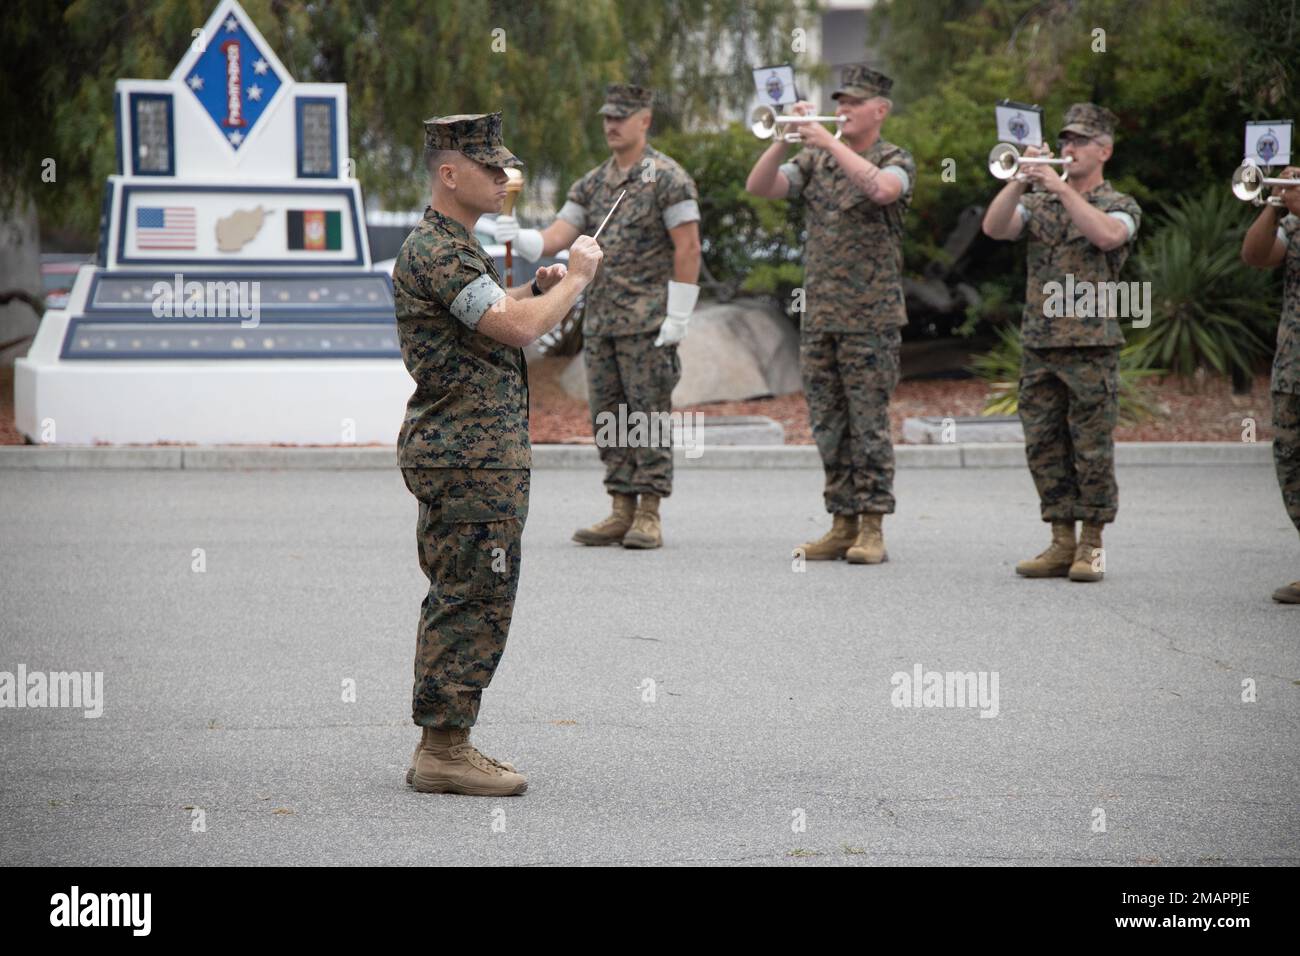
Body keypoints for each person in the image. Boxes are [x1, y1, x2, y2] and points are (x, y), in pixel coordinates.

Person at [393, 112, 603, 795]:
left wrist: (538, 290)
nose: (505, 179)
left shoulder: (450, 247)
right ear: (449, 174)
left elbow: (492, 311)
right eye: (491, 169)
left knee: (465, 590)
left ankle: (444, 738)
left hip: (471, 450)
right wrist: (575, 282)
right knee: (472, 595)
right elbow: (512, 331)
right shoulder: (440, 250)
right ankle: (444, 749)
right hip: (468, 454)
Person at [491, 83, 702, 550]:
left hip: (649, 322)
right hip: (603, 321)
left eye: (621, 117)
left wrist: (679, 314)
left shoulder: (668, 178)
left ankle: (649, 511)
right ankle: (620, 506)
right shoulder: (592, 182)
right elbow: (558, 236)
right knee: (610, 414)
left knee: (647, 414)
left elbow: (688, 247)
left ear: (644, 121)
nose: (611, 124)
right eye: (607, 116)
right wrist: (524, 238)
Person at [745, 64, 915, 564]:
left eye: (853, 102)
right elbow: (762, 186)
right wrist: (785, 137)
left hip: (872, 319)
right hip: (821, 317)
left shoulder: (895, 158)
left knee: (868, 424)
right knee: (828, 423)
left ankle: (872, 527)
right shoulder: (814, 160)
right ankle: (841, 522)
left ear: (879, 110)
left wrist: (827, 140)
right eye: (838, 100)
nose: (841, 108)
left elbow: (882, 189)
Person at [981, 103, 1141, 583]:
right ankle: (1060, 540)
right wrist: (1021, 179)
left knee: (1091, 448)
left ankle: (1091, 544)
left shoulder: (1120, 204)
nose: (1069, 148)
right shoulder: (1041, 202)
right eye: (1065, 141)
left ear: (1104, 150)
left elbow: (1109, 237)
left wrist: (1058, 187)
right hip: (1040, 343)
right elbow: (994, 227)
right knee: (1044, 445)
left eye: (1080, 141)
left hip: (1092, 346)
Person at [1240, 164, 1300, 604]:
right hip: (1293, 367)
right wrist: (1274, 207)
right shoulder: (1292, 219)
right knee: (1291, 463)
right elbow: (1256, 255)